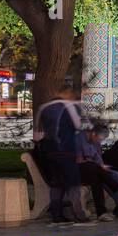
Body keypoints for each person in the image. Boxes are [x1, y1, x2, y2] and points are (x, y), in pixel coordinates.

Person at [33, 84, 93, 225]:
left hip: (48, 151)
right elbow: (78, 125)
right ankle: (79, 214)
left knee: (56, 183)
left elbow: (37, 133)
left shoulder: (44, 108)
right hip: (65, 150)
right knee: (73, 183)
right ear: (67, 94)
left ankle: (57, 215)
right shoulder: (68, 106)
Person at [76, 125, 118, 218]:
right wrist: (97, 165)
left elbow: (98, 158)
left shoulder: (95, 142)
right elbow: (79, 161)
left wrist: (102, 166)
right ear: (94, 134)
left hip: (95, 170)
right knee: (97, 176)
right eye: (100, 139)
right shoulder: (79, 139)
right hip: (80, 169)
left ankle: (117, 204)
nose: (100, 142)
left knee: (117, 175)